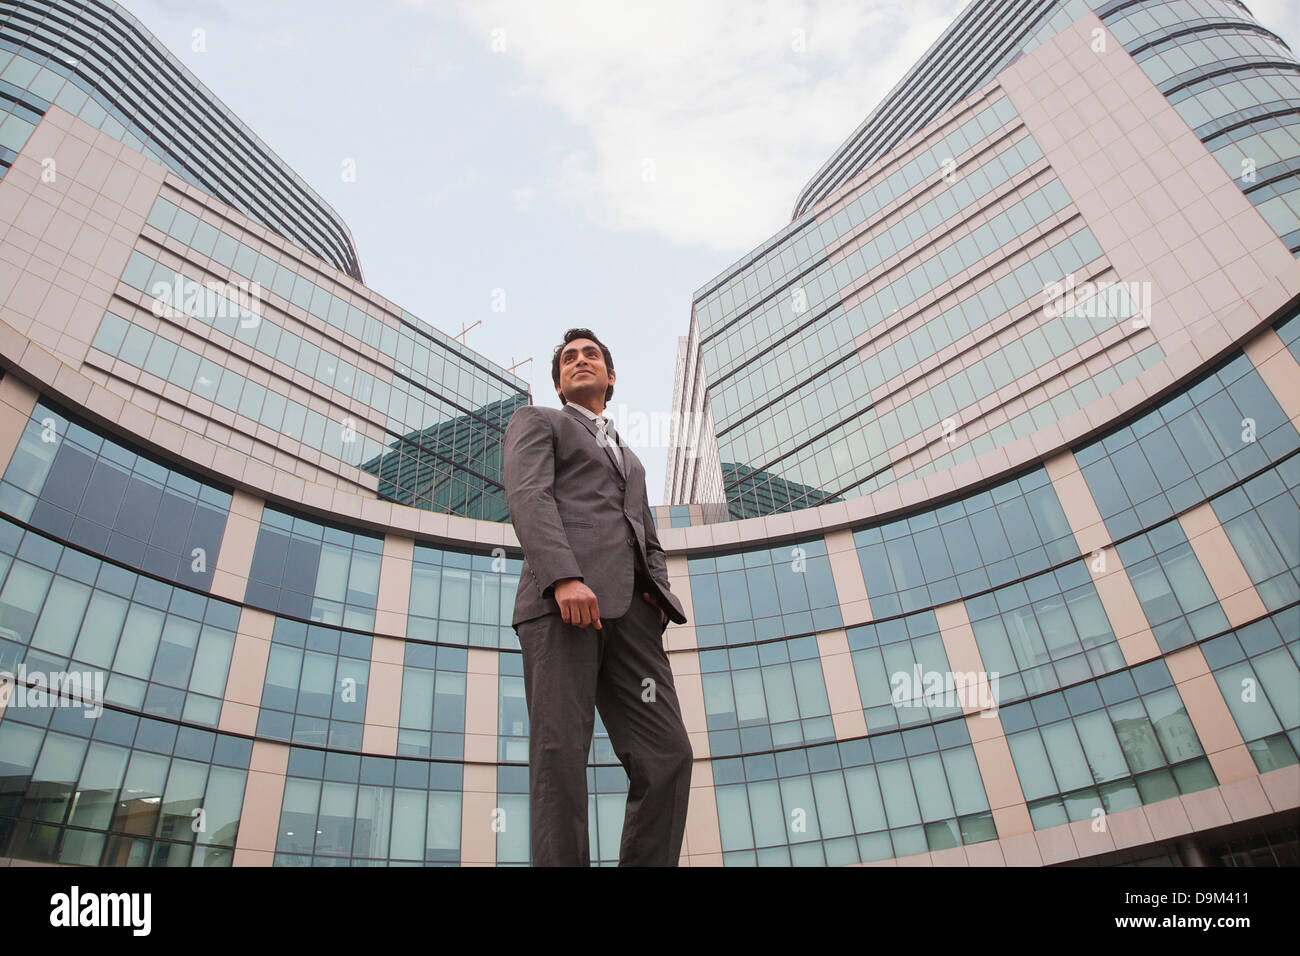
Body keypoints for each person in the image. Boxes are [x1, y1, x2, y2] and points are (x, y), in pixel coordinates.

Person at [503, 327, 692, 866]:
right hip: (562, 607)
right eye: (569, 358)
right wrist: (562, 576)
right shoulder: (539, 422)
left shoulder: (631, 459)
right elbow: (528, 495)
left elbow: (645, 534)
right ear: (560, 381)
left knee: (668, 755)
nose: (579, 361)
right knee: (560, 758)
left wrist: (657, 595)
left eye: (591, 355)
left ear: (611, 377)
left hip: (633, 619)